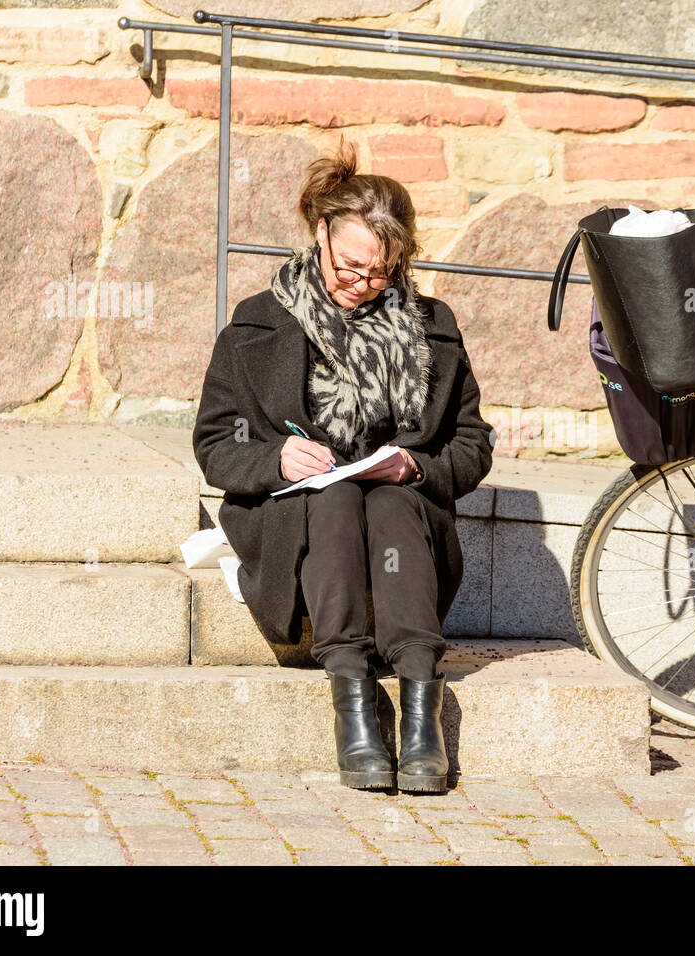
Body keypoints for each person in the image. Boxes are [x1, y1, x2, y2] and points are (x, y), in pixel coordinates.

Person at [192, 140, 494, 793]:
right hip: (296, 513)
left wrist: (415, 466)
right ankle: (352, 696)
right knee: (331, 498)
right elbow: (215, 444)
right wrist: (275, 458)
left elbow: (472, 444)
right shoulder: (258, 323)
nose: (362, 284)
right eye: (349, 266)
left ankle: (421, 713)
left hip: (401, 516)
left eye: (382, 272)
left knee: (389, 498)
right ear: (320, 233)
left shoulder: (433, 328)